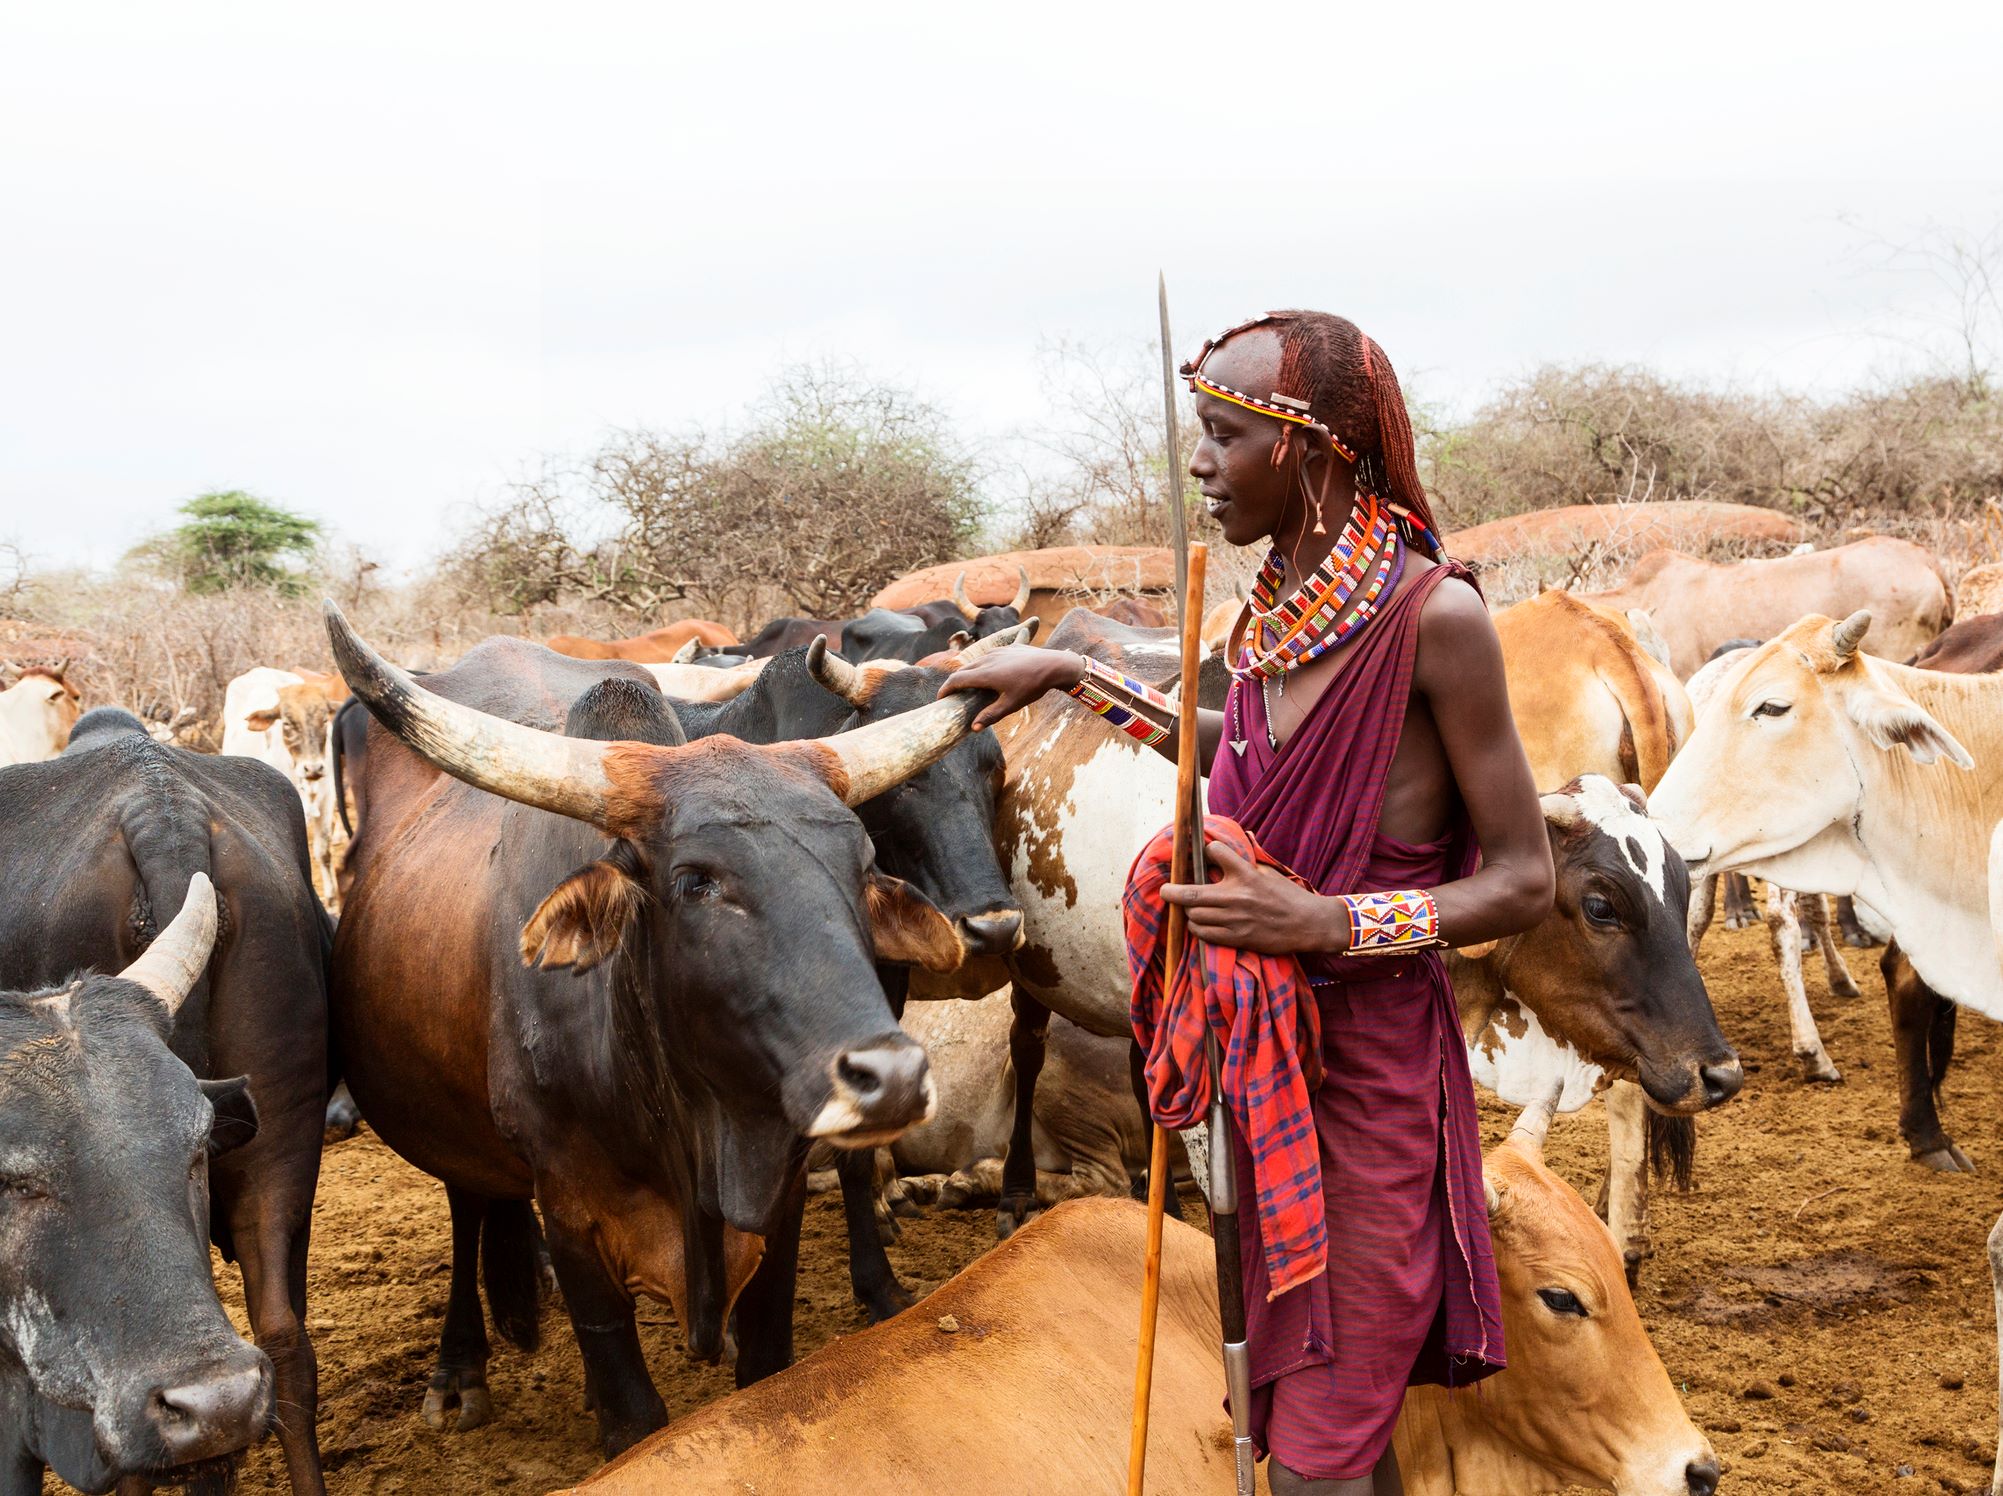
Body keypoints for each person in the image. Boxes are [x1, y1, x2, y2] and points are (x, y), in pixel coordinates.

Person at [941, 310, 1554, 1495]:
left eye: (1223, 436)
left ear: (1308, 447)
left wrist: (1328, 924)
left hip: (1370, 1084)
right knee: (1307, 1422)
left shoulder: (1437, 618)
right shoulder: (1275, 602)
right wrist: (1077, 678)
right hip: (1261, 1065)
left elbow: (1522, 879)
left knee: (1323, 1438)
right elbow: (1245, 764)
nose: (1198, 465)